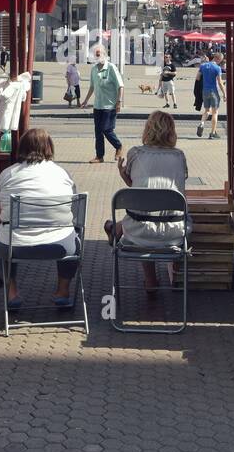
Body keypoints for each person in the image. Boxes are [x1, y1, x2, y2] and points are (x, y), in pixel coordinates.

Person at [0, 128, 80, 310]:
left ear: (21, 148)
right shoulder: (63, 174)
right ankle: (63, 290)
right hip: (60, 246)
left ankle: (12, 291)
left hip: (14, 247)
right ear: (50, 148)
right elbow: (74, 213)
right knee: (75, 234)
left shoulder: (7, 174)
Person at [106, 110, 189, 294]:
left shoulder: (135, 153)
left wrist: (122, 174)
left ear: (148, 129)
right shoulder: (179, 156)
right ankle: (176, 275)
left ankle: (151, 281)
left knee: (144, 216)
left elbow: (137, 190)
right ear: (171, 132)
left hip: (138, 233)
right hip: (175, 233)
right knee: (168, 213)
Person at [80, 45, 123, 163]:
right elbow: (92, 87)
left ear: (104, 54)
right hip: (98, 105)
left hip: (110, 105)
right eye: (95, 54)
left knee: (106, 129)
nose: (97, 56)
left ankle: (118, 146)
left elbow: (120, 86)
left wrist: (119, 102)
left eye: (99, 54)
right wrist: (86, 100)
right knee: (98, 132)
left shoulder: (111, 67)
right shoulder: (93, 69)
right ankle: (99, 156)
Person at [196, 51, 225, 139]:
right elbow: (220, 82)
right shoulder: (217, 68)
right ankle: (212, 133)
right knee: (215, 112)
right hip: (213, 91)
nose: (221, 62)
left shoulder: (203, 66)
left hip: (205, 91)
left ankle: (202, 123)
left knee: (206, 110)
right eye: (221, 60)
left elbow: (197, 78)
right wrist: (224, 94)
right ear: (218, 59)